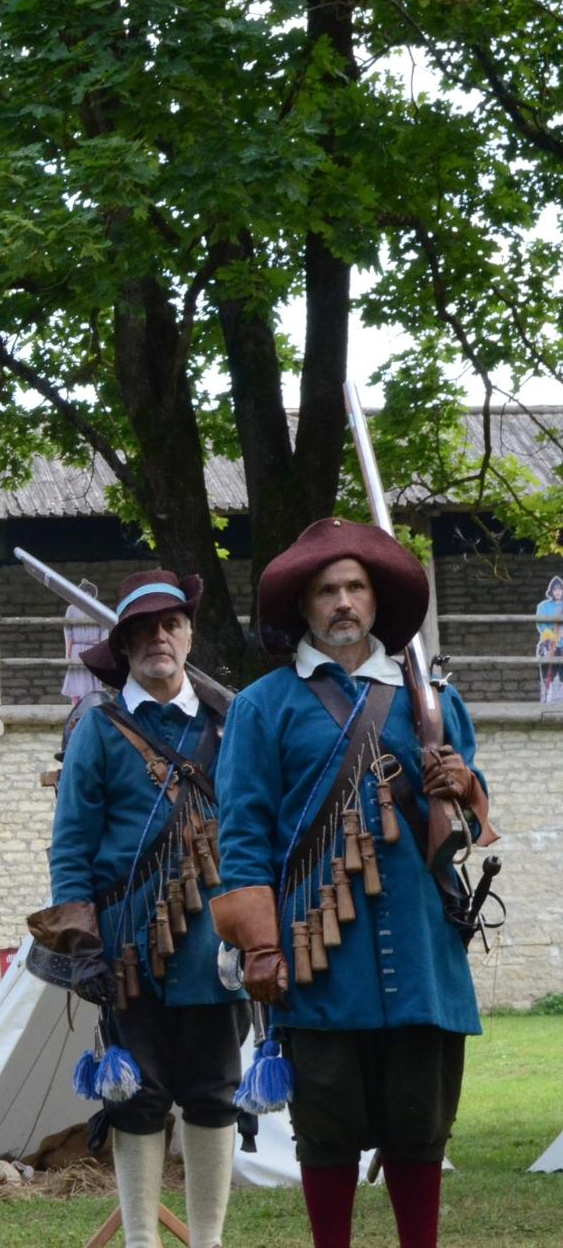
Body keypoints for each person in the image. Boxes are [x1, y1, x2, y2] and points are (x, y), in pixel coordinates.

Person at [213, 519, 496, 1248]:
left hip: (423, 950)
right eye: (326, 590)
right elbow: (241, 834)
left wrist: (460, 781)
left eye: (355, 588)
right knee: (328, 1131)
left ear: (375, 601)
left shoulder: (434, 701)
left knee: (420, 1128)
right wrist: (261, 945)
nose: (342, 601)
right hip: (318, 958)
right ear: (304, 607)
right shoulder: (261, 707)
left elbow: (467, 822)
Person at [27, 571, 242, 1248]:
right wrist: (82, 940)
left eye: (170, 623)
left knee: (214, 1092)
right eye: (142, 628)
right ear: (122, 647)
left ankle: (206, 1240)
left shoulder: (228, 724)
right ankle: (142, 1241)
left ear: (188, 634)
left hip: (215, 944)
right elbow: (71, 849)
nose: (158, 636)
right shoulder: (97, 729)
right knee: (137, 1097)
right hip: (125, 947)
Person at [63, 580, 109, 705]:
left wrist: (101, 651)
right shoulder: (71, 609)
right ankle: (77, 710)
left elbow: (104, 631)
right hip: (77, 649)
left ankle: (90, 710)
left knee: (91, 684)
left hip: (93, 648)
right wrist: (68, 651)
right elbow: (68, 631)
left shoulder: (98, 609)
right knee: (77, 683)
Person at [536, 576, 563, 703]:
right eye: (555, 589)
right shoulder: (544, 606)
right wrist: (552, 635)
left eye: (560, 589)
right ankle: (548, 697)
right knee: (548, 673)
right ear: (551, 591)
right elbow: (541, 624)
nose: (558, 592)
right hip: (550, 643)